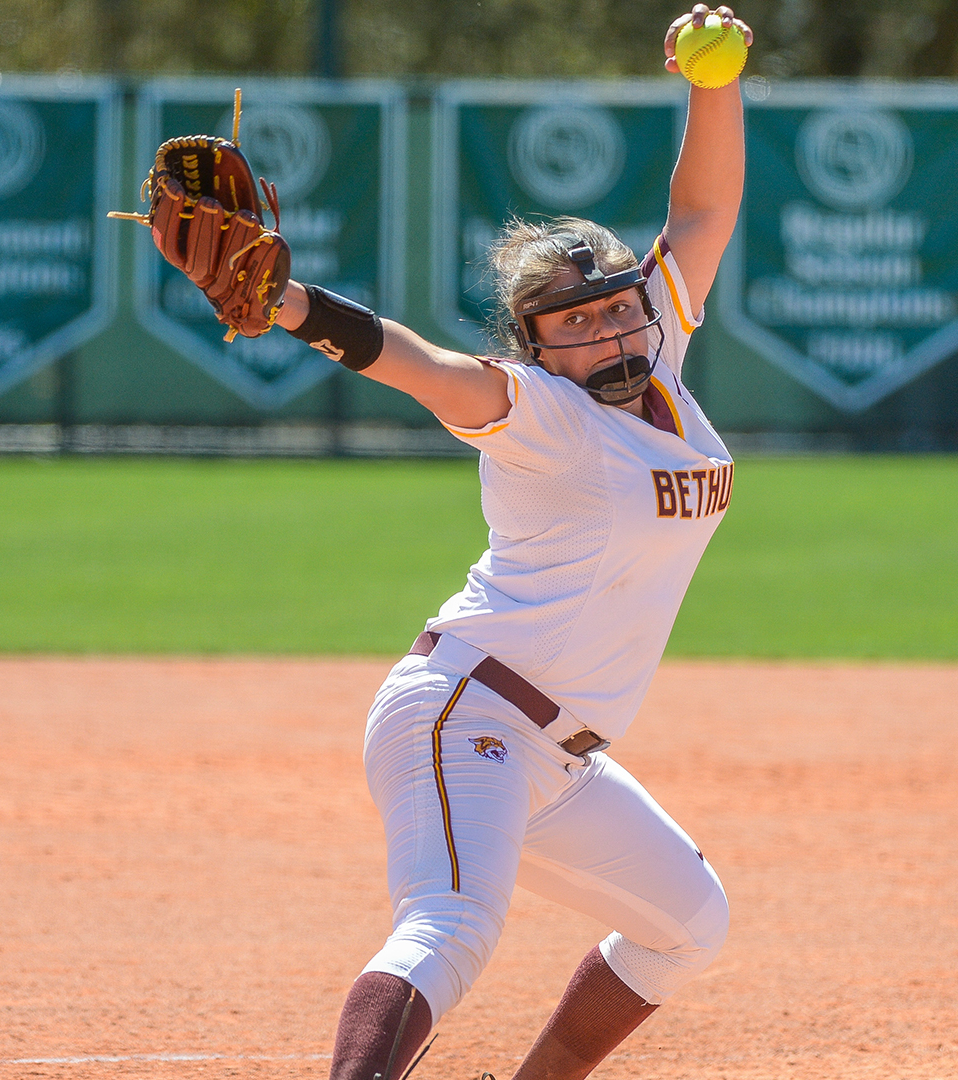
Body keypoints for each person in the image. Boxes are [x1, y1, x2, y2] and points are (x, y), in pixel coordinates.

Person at [267, 7, 752, 1080]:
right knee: (450, 924)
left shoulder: (655, 355)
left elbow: (706, 204)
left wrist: (715, 78)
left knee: (689, 922)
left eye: (615, 309)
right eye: (569, 324)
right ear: (534, 345)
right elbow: (425, 367)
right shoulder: (538, 409)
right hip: (464, 714)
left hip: (561, 757)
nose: (606, 333)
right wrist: (293, 304)